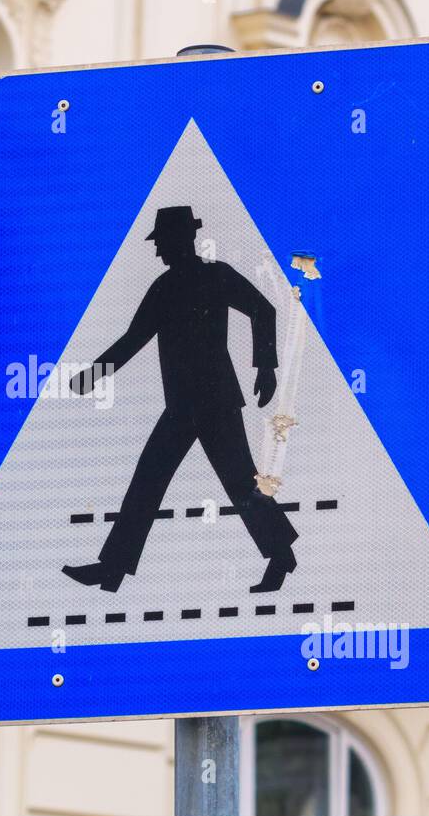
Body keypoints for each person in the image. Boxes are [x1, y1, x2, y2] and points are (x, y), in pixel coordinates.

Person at [64, 205, 298, 594]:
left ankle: (281, 556)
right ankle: (112, 569)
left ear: (180, 240)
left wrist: (265, 368)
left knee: (239, 483)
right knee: (149, 479)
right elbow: (133, 339)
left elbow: (263, 308)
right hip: (182, 406)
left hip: (216, 403)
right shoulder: (164, 288)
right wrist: (91, 377)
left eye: (162, 244)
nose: (158, 253)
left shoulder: (213, 275)